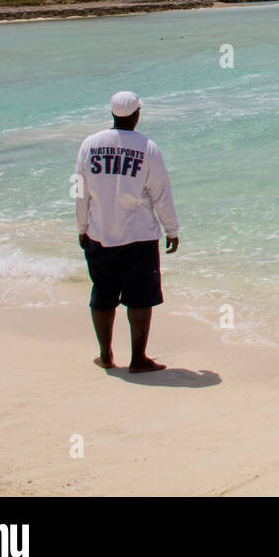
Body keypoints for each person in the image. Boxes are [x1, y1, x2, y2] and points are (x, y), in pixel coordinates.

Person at [75, 91, 180, 372]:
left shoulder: (90, 145)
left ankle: (105, 355)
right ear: (137, 114)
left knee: (102, 296)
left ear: (112, 114)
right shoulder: (147, 148)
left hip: (100, 234)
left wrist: (82, 227)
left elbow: (80, 191)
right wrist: (171, 229)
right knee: (140, 299)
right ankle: (138, 359)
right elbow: (161, 193)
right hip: (139, 237)